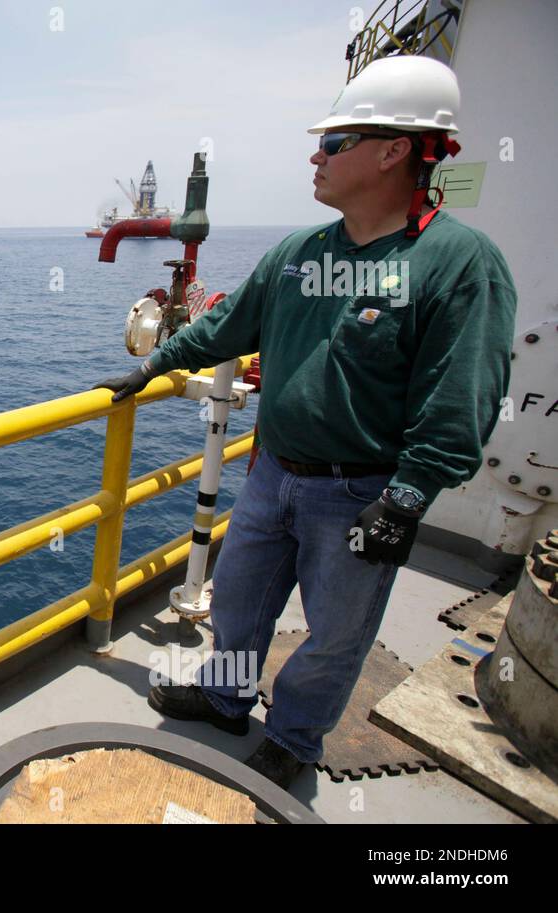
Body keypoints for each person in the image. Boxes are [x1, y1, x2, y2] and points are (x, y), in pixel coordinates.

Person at [94, 54, 516, 788]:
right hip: (272, 472)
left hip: (361, 492)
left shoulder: (458, 263)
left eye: (334, 143)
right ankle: (226, 697)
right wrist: (154, 366)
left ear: (393, 151)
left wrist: (408, 498)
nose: (314, 157)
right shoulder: (299, 253)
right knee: (238, 600)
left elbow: (462, 399)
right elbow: (228, 326)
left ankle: (294, 737)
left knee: (335, 634)